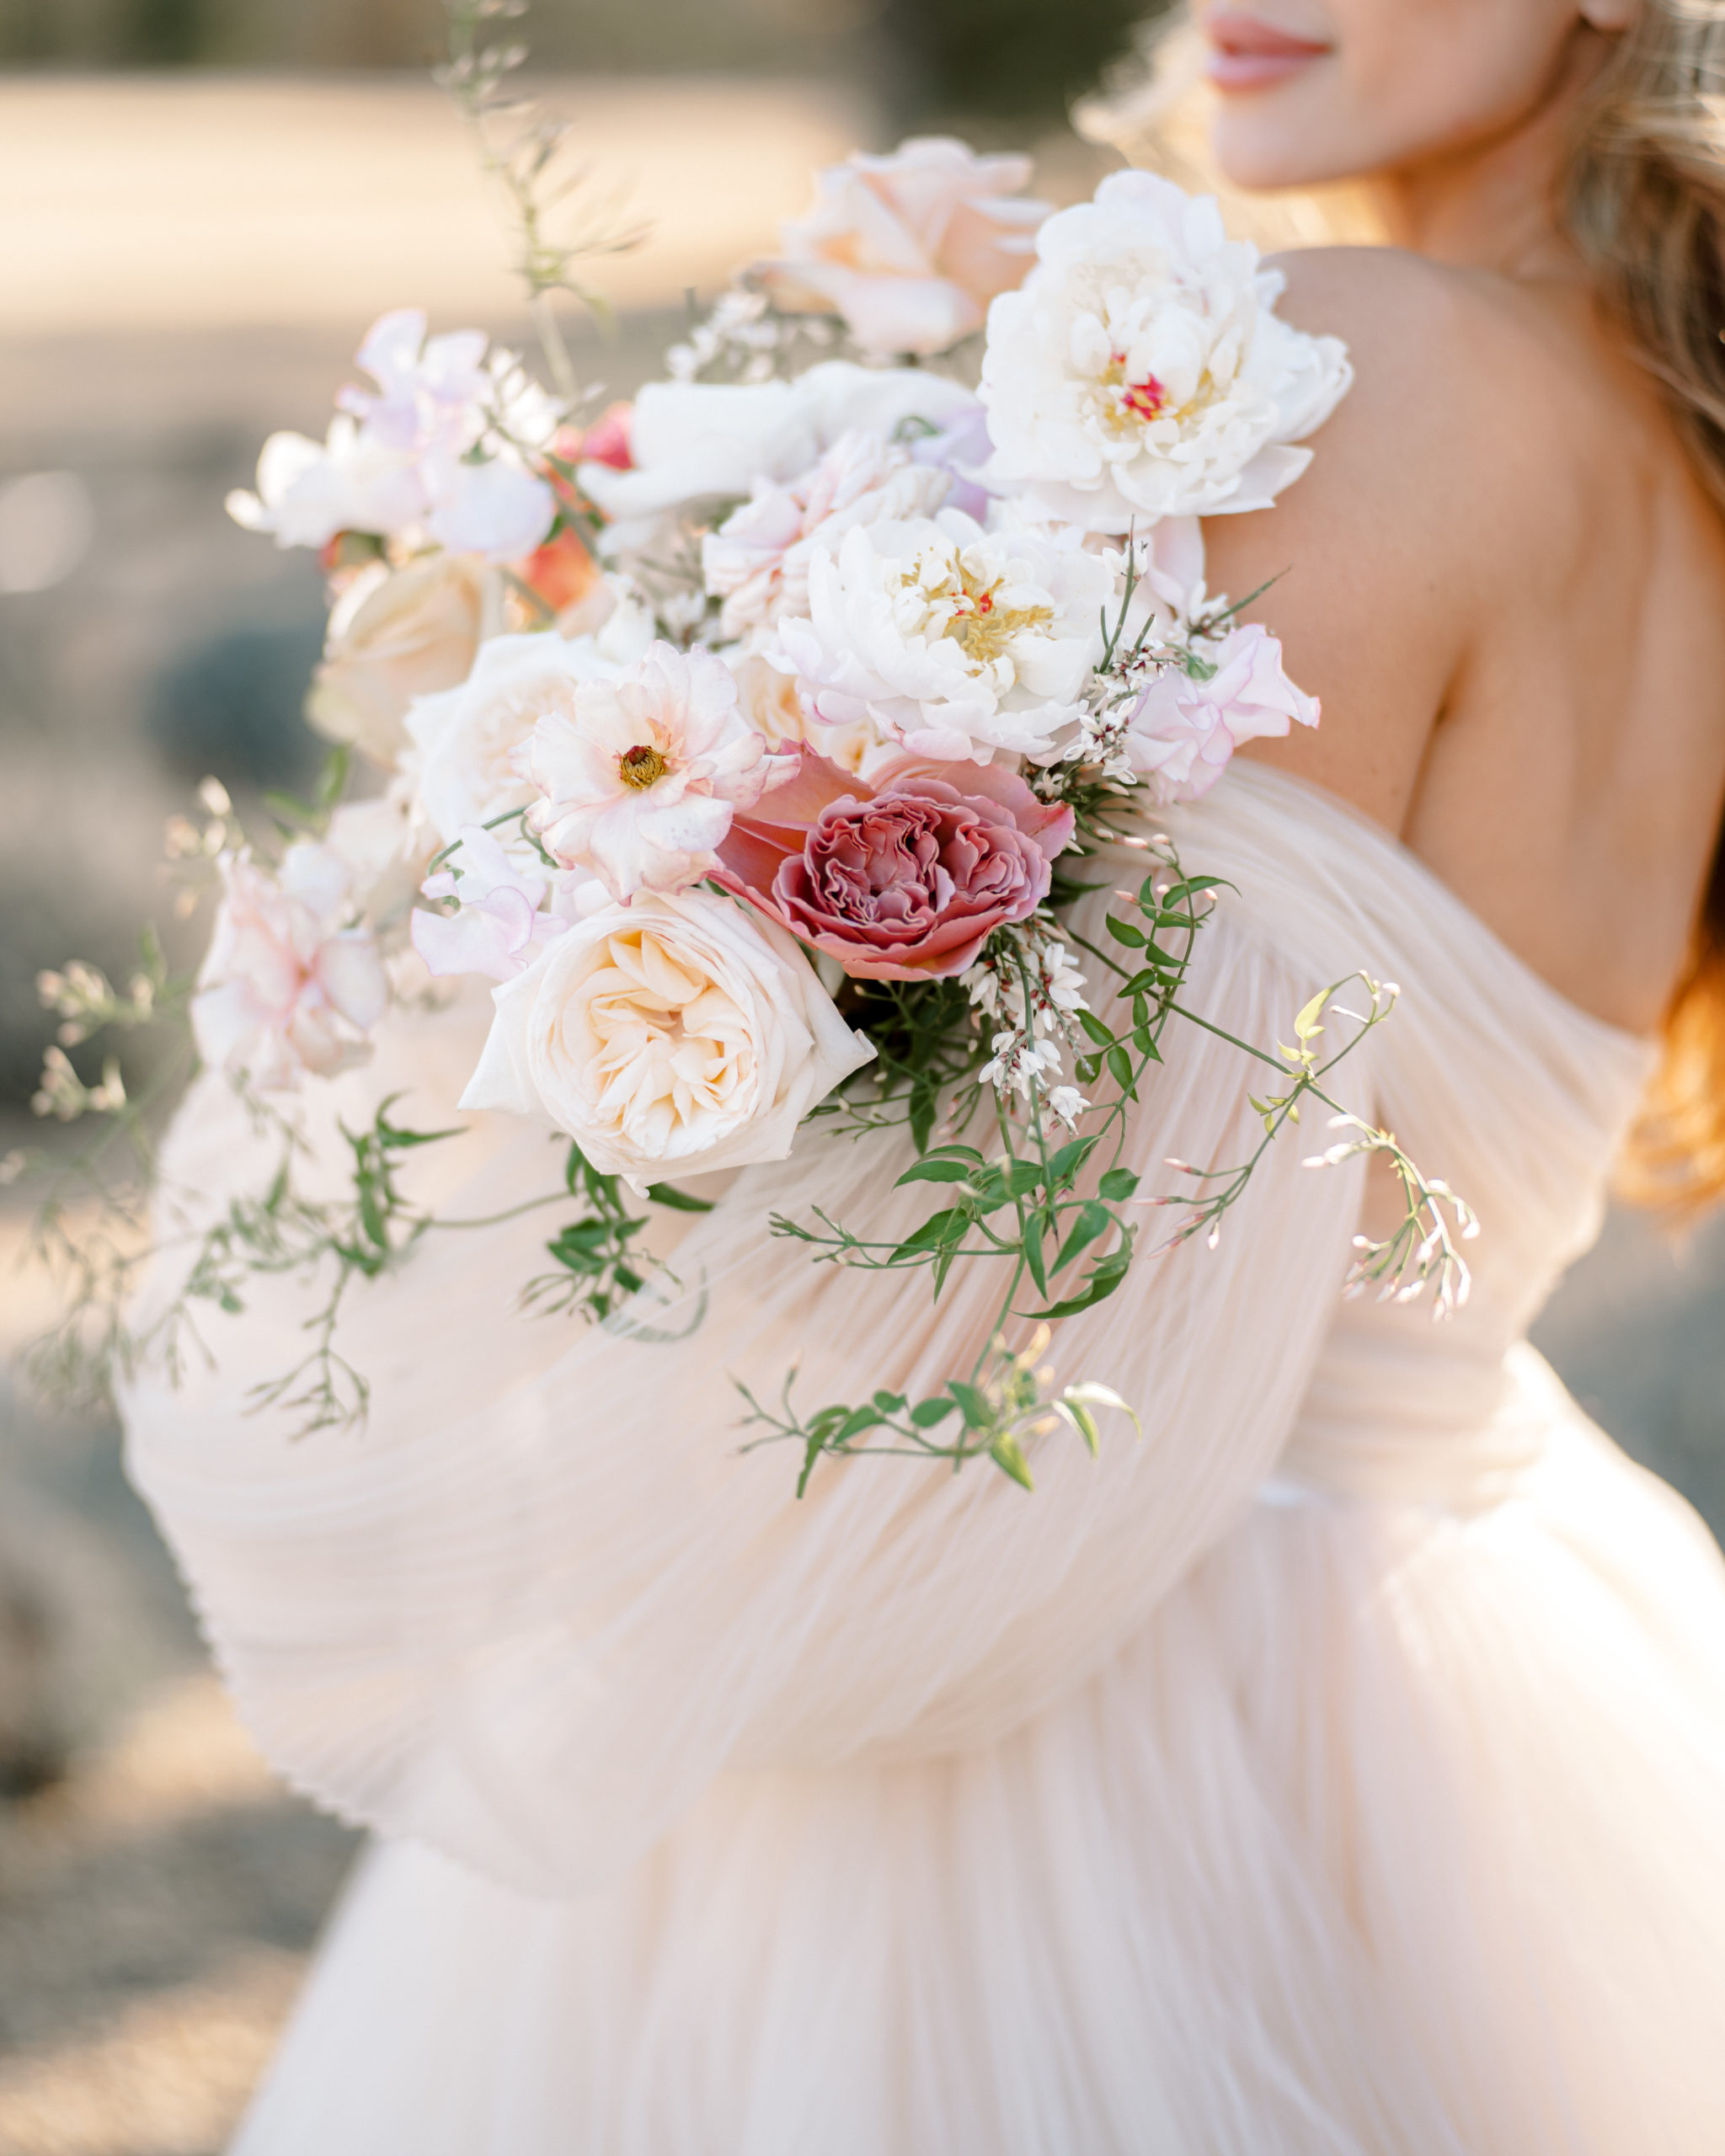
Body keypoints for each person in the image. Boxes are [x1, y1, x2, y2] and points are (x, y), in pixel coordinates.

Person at [124, 3, 1725, 2149]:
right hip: (1466, 1632)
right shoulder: (1670, 457)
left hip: (1096, 1687)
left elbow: (1016, 1224)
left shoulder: (1365, 372)